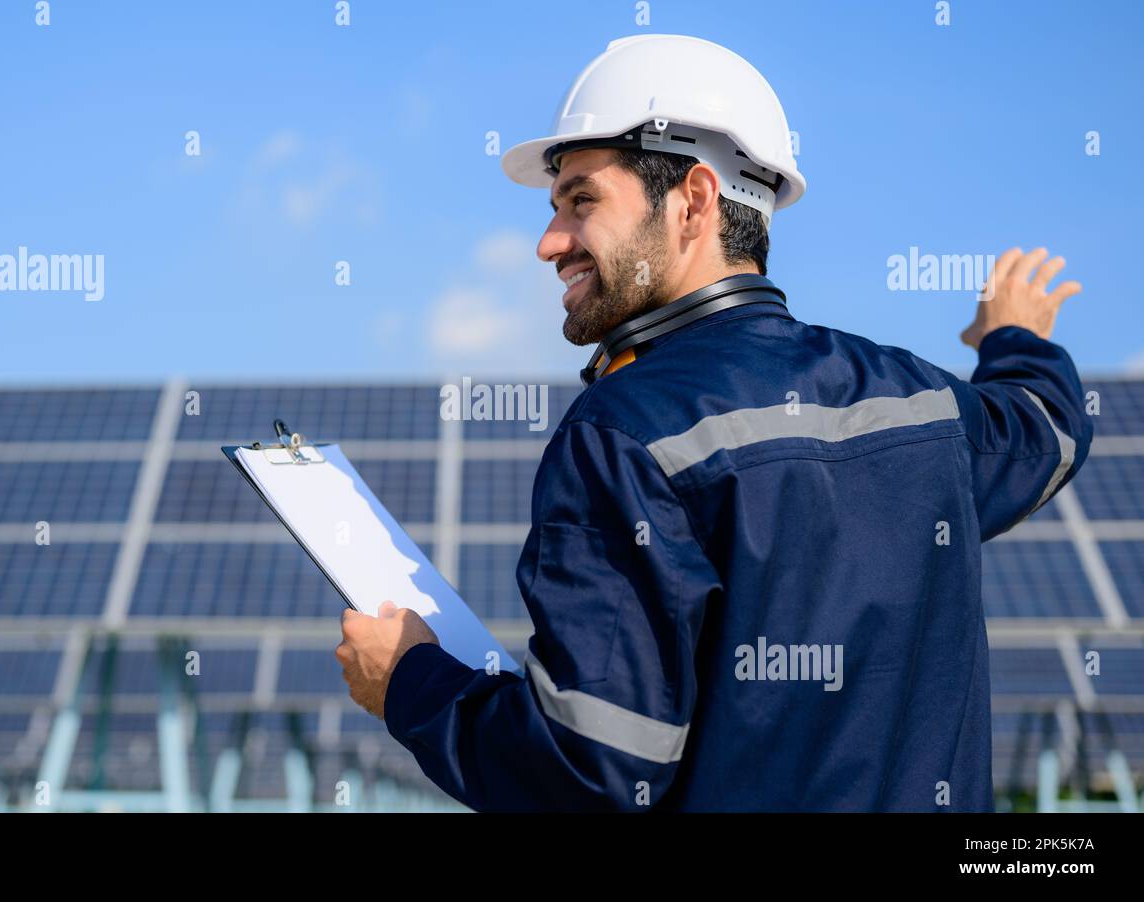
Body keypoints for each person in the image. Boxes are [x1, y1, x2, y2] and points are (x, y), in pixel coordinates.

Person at [335, 34, 1091, 811]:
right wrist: (1016, 334)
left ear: (694, 200)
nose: (548, 242)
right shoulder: (922, 404)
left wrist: (411, 685)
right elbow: (1048, 430)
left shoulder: (623, 434)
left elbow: (587, 767)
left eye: (582, 200)